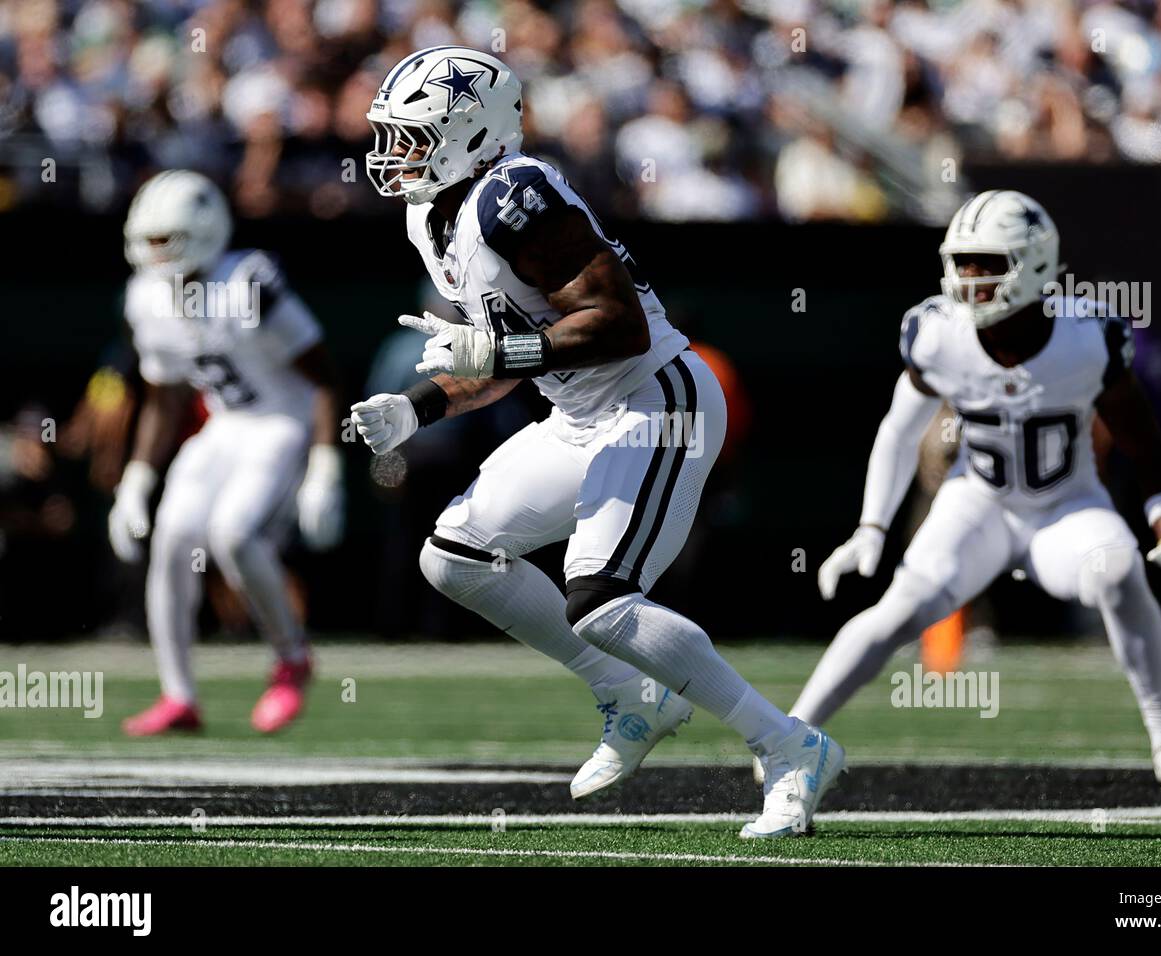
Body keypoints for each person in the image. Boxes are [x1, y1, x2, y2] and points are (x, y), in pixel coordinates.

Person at [348, 47, 842, 837]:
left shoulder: (515, 193)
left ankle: (790, 747)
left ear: (473, 133)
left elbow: (619, 325)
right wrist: (415, 409)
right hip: (579, 416)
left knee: (602, 600)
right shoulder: (429, 216)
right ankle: (633, 696)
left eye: (411, 136)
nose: (393, 154)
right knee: (455, 555)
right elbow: (505, 352)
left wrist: (497, 353)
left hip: (655, 399)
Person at [798, 190, 1161, 791]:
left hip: (1065, 508)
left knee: (1117, 569)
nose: (968, 278)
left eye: (986, 263)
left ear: (1036, 263)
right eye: (961, 261)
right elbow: (899, 429)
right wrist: (870, 526)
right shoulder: (936, 333)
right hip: (977, 503)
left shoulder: (1088, 336)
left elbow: (1143, 440)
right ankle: (791, 736)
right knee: (896, 610)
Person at [109, 170, 345, 735]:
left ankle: (292, 658)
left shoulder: (249, 281)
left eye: (169, 239)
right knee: (170, 536)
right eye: (151, 241)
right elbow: (164, 398)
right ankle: (178, 695)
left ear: (205, 229)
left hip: (281, 422)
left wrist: (325, 465)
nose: (158, 253)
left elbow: (324, 377)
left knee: (233, 533)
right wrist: (136, 480)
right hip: (225, 426)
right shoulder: (146, 297)